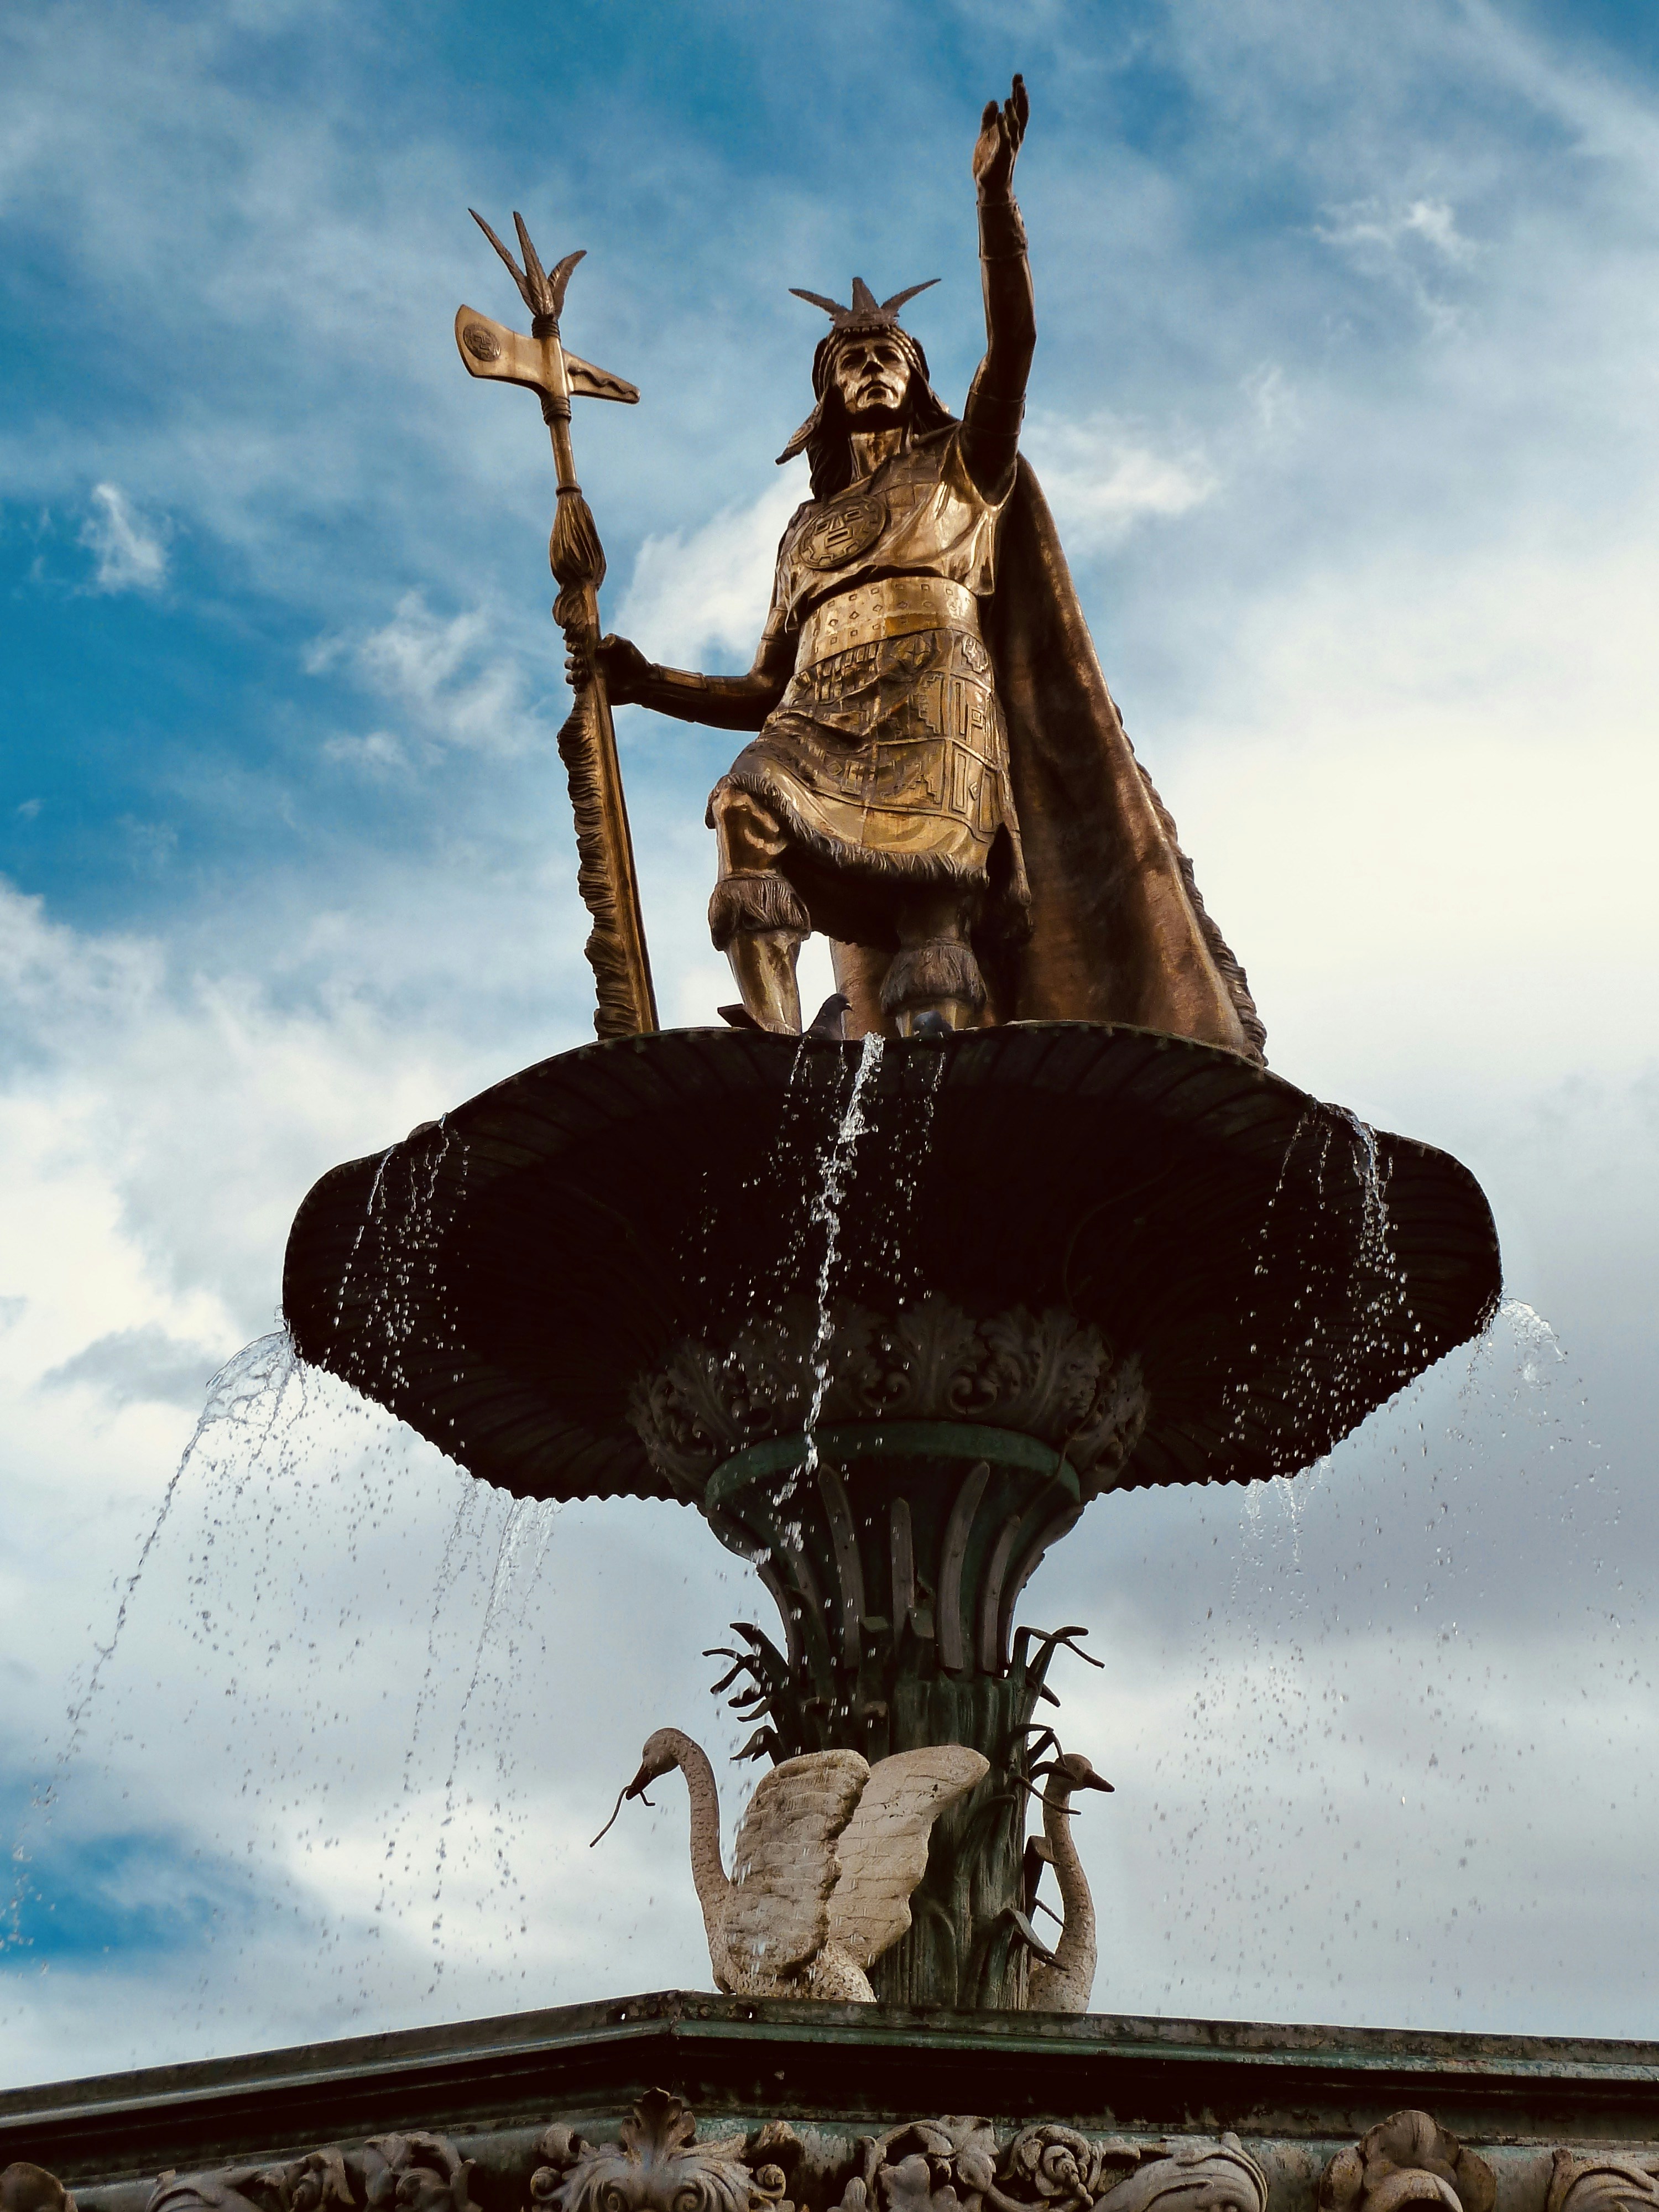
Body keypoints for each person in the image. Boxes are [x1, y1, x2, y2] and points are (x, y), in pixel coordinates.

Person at [587, 77, 1265, 1060]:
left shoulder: (965, 465)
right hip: (817, 708)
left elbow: (1015, 345)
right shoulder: (804, 532)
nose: (870, 365)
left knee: (933, 916)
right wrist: (651, 686)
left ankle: (935, 1086)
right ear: (825, 394)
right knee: (744, 803)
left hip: (939, 699)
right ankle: (776, 1048)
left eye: (889, 354)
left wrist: (995, 205)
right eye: (849, 359)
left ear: (916, 377)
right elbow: (764, 688)